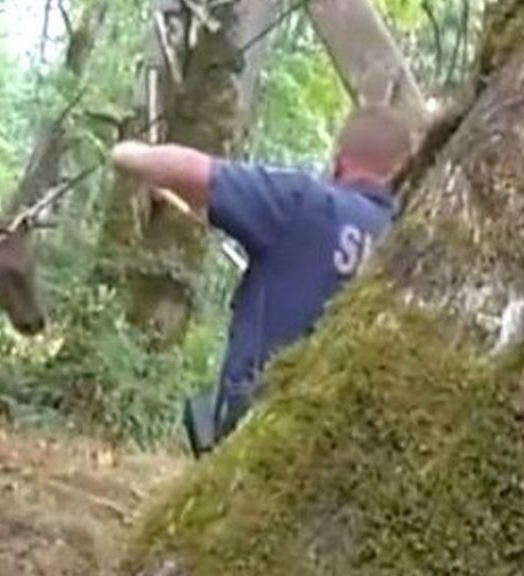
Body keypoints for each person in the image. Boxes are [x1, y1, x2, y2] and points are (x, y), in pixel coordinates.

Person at [109, 104, 415, 453]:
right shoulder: (410, 242)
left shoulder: (304, 203)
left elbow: (197, 172)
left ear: (340, 161)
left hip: (262, 429)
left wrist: (129, 154)